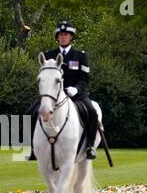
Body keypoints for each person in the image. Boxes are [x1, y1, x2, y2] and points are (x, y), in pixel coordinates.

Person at [26, 21, 100, 160]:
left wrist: (76, 89)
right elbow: (45, 78)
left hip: (76, 94)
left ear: (71, 37)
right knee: (30, 113)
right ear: (57, 37)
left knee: (92, 112)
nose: (63, 37)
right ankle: (33, 148)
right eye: (60, 35)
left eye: (66, 35)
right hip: (52, 95)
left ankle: (90, 147)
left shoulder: (80, 56)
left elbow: (85, 79)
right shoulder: (49, 55)